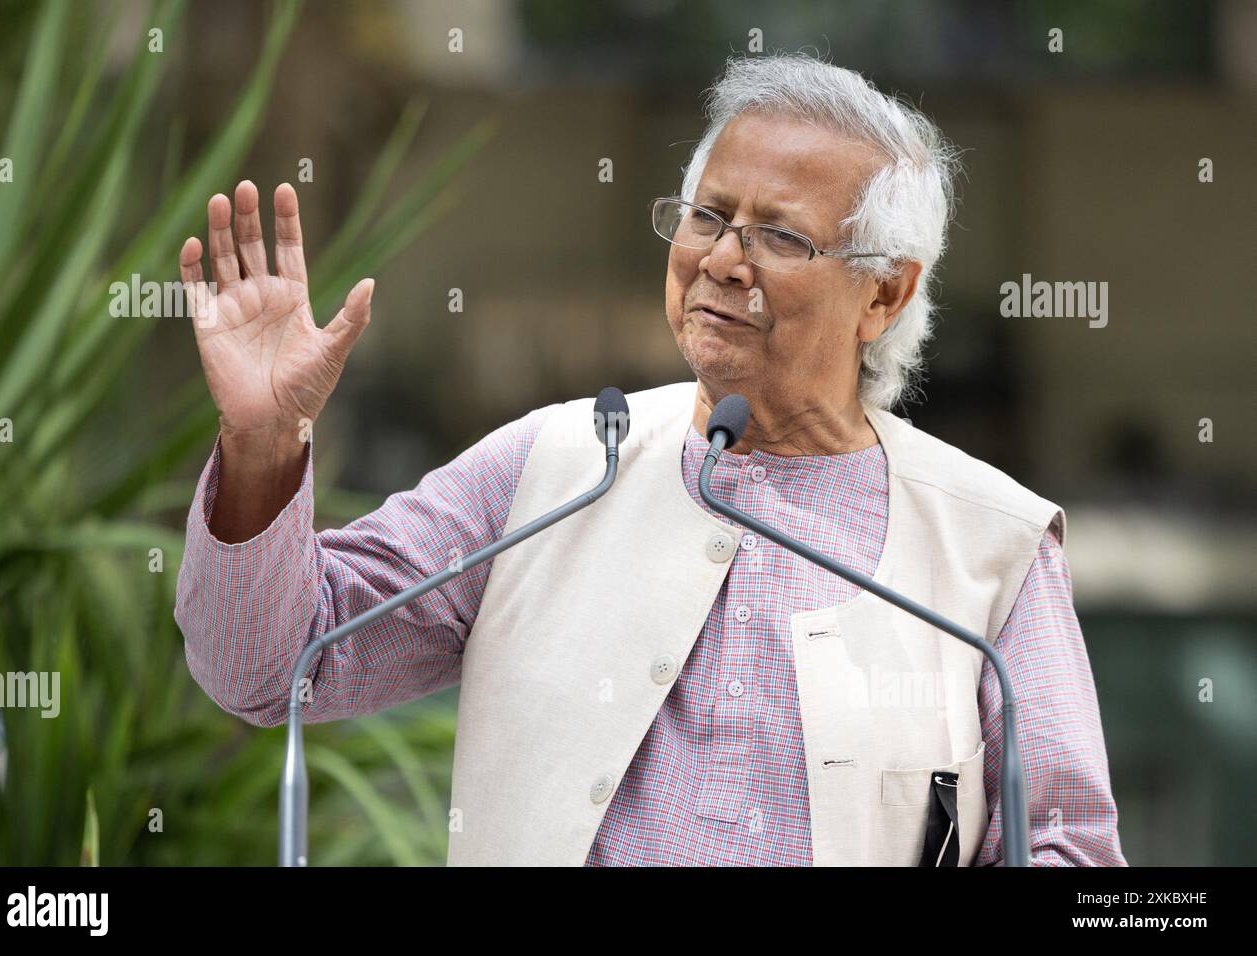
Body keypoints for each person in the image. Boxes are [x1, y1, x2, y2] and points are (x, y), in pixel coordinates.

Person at [174, 53, 1125, 867]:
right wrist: (262, 440)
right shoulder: (550, 468)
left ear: (883, 295)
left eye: (779, 234)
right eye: (707, 216)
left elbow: (1067, 842)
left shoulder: (988, 543)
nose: (721, 258)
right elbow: (268, 668)